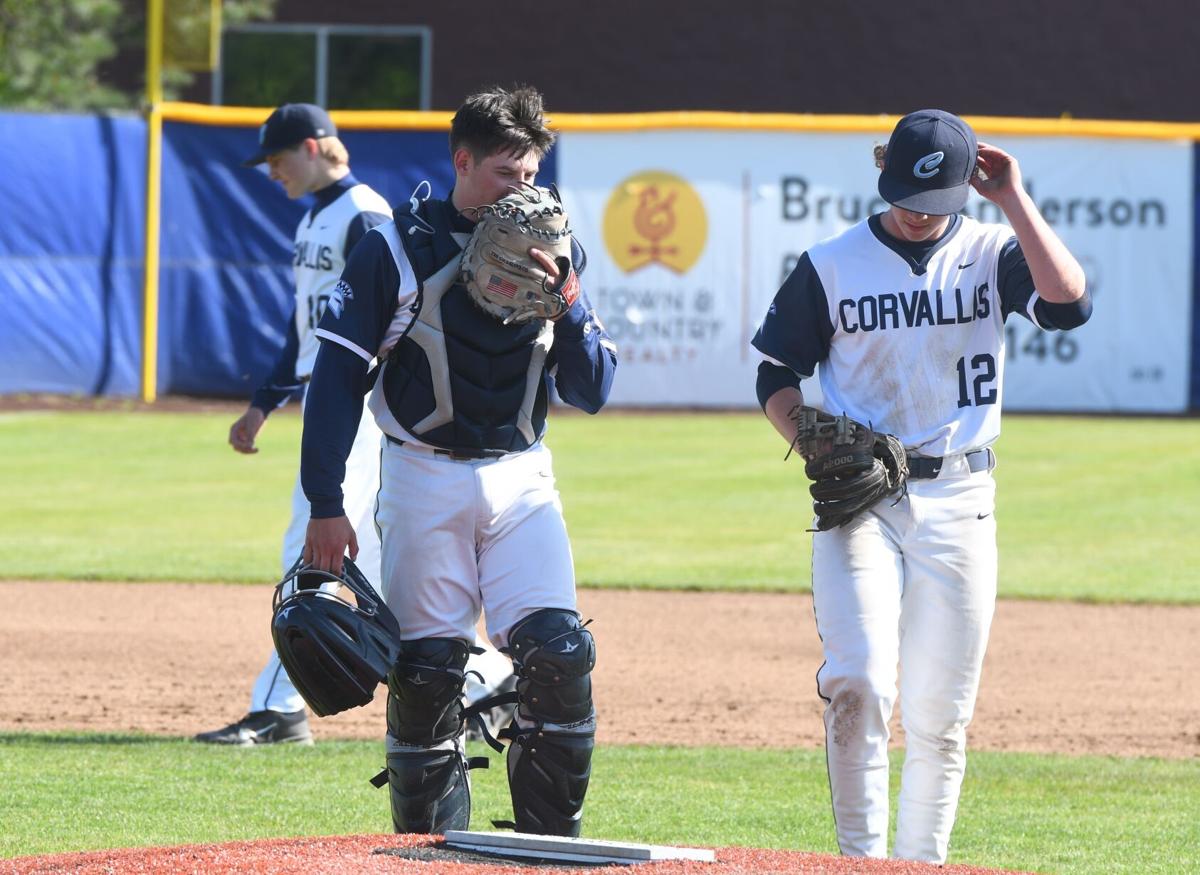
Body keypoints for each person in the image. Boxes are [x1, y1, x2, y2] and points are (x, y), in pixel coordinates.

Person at [752, 109, 1092, 863]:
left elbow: (1070, 305)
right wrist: (807, 438)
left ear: (963, 194)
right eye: (906, 195)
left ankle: (920, 863)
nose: (917, 213)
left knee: (941, 716)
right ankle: (860, 859)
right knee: (860, 681)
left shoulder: (989, 250)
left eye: (934, 202)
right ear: (885, 179)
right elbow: (775, 372)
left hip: (963, 499)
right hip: (863, 499)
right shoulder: (832, 263)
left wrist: (1012, 199)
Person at [298, 85, 617, 836]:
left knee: (561, 656)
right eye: (507, 174)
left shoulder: (559, 248)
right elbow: (338, 379)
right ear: (462, 162)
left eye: (533, 173)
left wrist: (566, 299)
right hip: (422, 473)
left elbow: (594, 388)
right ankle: (433, 849)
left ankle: (547, 844)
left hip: (522, 475)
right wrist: (323, 501)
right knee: (428, 673)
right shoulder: (397, 246)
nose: (524, 190)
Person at [195, 103, 515, 747]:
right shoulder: (315, 218)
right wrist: (264, 401)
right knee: (370, 557)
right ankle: (488, 678)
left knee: (312, 549)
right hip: (333, 399)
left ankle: (279, 709)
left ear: (314, 148)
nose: (272, 173)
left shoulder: (365, 215)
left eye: (278, 159)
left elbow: (377, 328)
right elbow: (307, 329)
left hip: (363, 405)